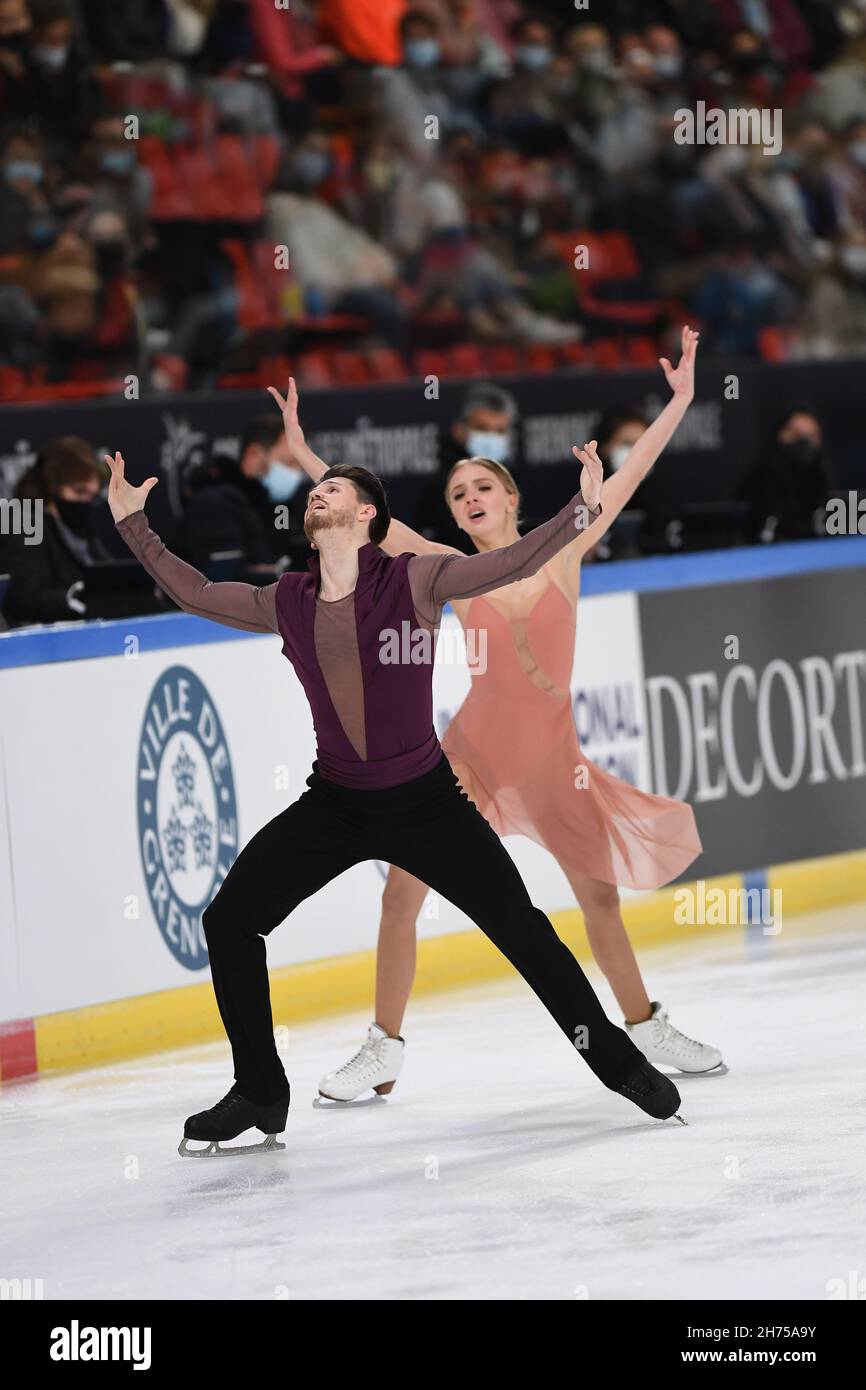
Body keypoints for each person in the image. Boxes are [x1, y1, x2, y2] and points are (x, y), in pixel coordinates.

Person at [106, 434, 685, 1155]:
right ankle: (258, 1091)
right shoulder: (287, 599)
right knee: (229, 921)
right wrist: (133, 521)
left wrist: (579, 511)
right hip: (336, 805)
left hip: (427, 803)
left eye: (336, 491)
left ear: (366, 516)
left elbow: (510, 560)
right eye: (317, 489)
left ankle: (620, 1064)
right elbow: (193, 592)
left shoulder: (414, 580)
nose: (319, 494)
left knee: (524, 931)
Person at [276, 329, 722, 1104]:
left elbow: (632, 472)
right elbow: (368, 520)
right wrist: (309, 455)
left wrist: (680, 398)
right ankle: (382, 1049)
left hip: (557, 761)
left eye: (482, 487)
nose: (469, 500)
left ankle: (646, 1028)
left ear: (512, 497)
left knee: (600, 901)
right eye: (457, 494)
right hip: (465, 759)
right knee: (400, 894)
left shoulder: (565, 545)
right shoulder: (447, 571)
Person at [182, 414, 308, 578]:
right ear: (253, 454)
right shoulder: (214, 503)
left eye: (300, 462)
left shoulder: (280, 505)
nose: (297, 472)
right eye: (289, 462)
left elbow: (284, 553)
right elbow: (222, 576)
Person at [2, 435, 111, 626]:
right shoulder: (21, 519)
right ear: (51, 485)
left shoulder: (77, 521)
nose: (85, 502)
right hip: (39, 638)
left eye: (91, 495)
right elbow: (24, 597)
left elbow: (106, 572)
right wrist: (76, 600)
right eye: (78, 491)